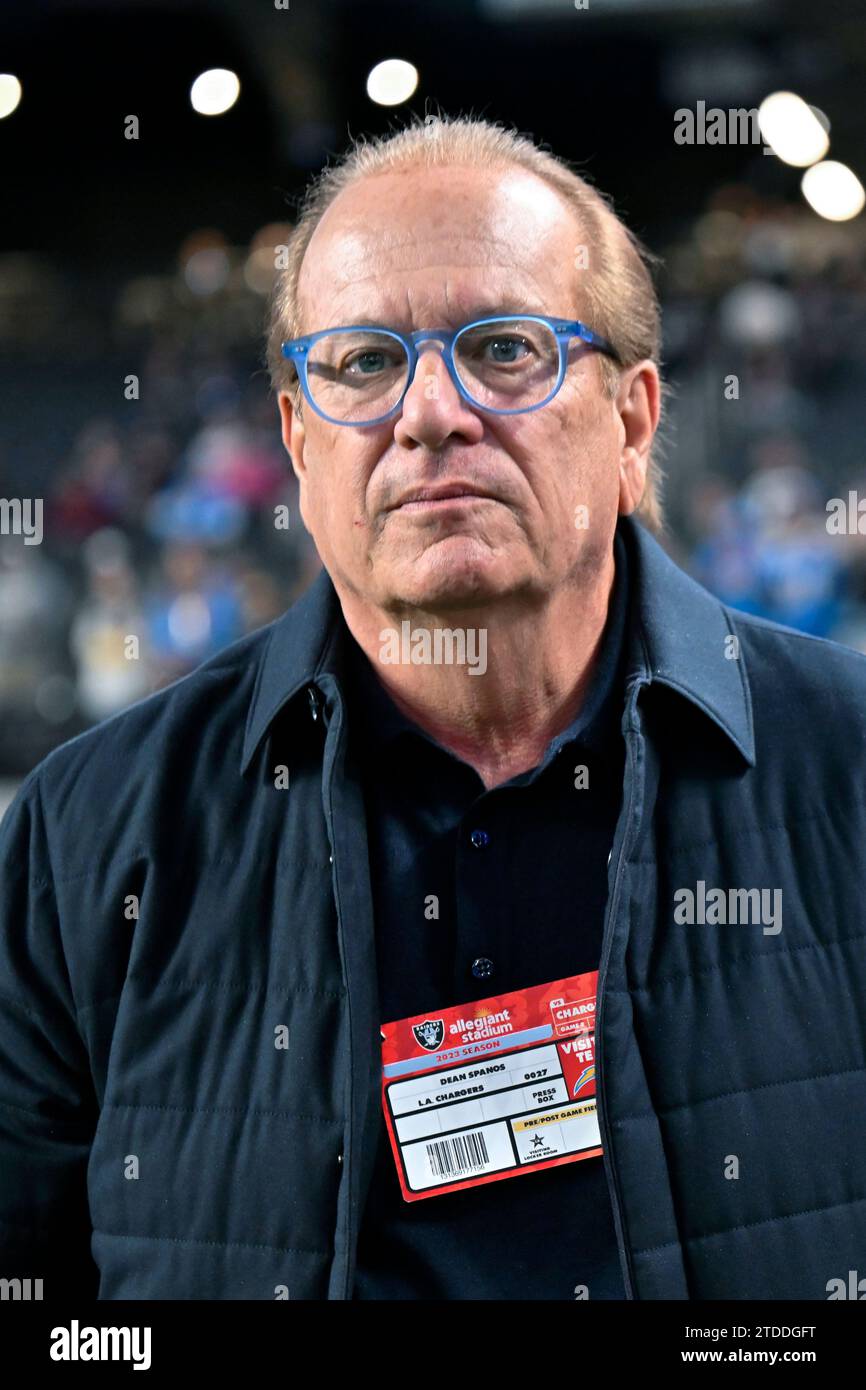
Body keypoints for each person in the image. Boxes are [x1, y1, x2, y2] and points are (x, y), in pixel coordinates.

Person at [2, 113, 865, 1302]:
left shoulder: (851, 774)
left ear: (633, 420)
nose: (428, 413)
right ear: (298, 441)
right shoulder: (79, 841)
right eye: (361, 363)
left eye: (503, 347)